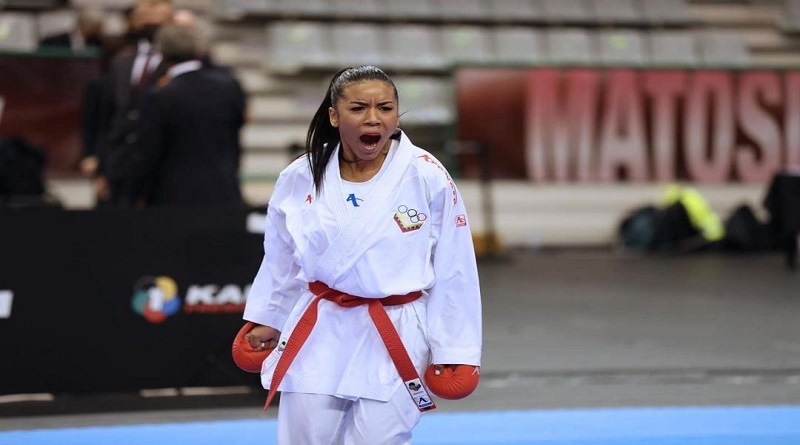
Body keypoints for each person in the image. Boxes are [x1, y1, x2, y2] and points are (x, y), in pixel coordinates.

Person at [241, 66, 482, 444]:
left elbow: (455, 266)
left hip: (397, 328)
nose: (373, 118)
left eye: (385, 108)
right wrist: (268, 317)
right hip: (321, 328)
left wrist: (455, 347)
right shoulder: (301, 175)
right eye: (358, 108)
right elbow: (281, 257)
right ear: (334, 116)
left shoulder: (425, 174)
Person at [123, 23, 245, 207]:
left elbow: (147, 154)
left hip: (172, 199)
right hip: (223, 193)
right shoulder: (229, 87)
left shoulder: (158, 97)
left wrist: (135, 195)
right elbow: (235, 138)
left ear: (162, 53)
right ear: (199, 50)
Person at [93, 0, 174, 207]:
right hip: (120, 169)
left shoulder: (178, 66)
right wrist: (101, 170)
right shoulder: (120, 62)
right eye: (145, 20)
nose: (151, 26)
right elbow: (106, 119)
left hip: (161, 173)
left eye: (158, 21)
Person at [39, 8, 104, 51]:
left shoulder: (97, 43)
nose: (99, 31)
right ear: (85, 25)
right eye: (96, 27)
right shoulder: (53, 42)